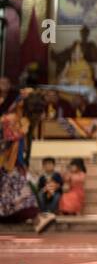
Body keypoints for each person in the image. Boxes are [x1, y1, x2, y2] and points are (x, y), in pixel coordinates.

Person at [0, 90, 41, 229]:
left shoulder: (22, 120)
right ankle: (36, 219)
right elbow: (7, 140)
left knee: (20, 189)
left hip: (10, 163)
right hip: (5, 160)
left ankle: (36, 219)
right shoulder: (9, 119)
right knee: (20, 189)